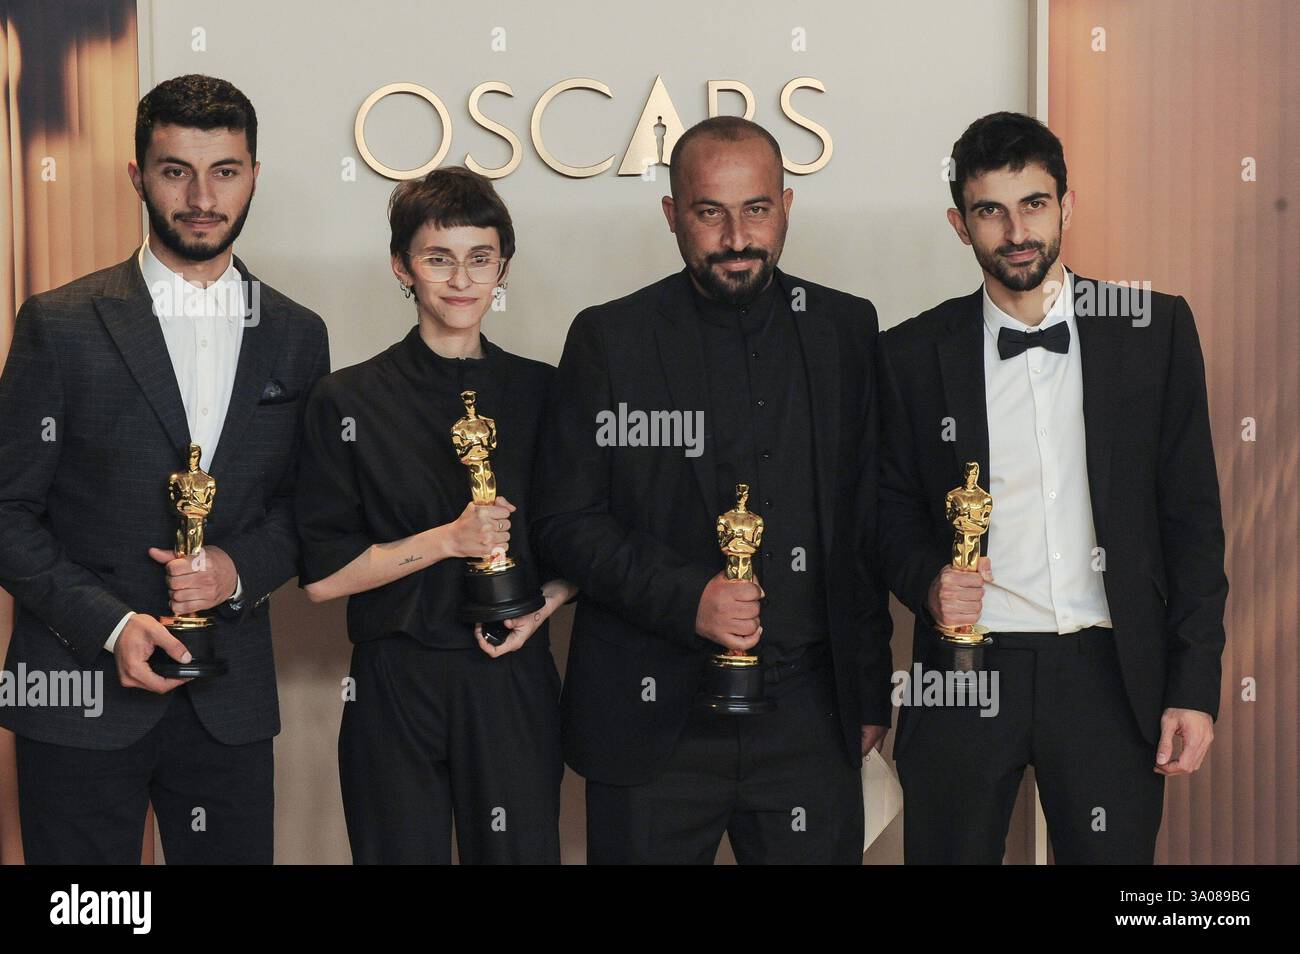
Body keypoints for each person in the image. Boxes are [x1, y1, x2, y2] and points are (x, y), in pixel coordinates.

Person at [532, 116, 893, 864]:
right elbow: (565, 520)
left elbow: (865, 523)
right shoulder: (610, 339)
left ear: (786, 206)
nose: (736, 236)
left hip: (809, 720)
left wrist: (865, 693)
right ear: (672, 216)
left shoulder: (846, 331)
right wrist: (688, 597)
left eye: (756, 209)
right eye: (710, 212)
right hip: (652, 719)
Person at [877, 111, 1228, 863]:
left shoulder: (1153, 331)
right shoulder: (908, 354)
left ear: (1066, 205)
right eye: (989, 211)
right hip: (966, 675)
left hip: (1110, 675)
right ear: (958, 223)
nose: (1015, 231)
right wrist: (928, 584)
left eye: (1033, 204)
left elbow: (1194, 522)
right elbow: (884, 512)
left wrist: (1194, 685)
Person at [0, 74, 330, 863]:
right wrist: (110, 625)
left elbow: (306, 510)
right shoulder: (59, 323)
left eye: (225, 171)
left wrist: (233, 569)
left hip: (231, 702)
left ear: (254, 175)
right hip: (78, 693)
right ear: (137, 177)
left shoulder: (295, 333)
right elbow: (7, 512)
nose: (201, 196)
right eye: (175, 170)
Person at [295, 166, 574, 864]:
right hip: (395, 679)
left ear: (502, 266)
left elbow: (583, 541)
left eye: (480, 259)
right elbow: (322, 579)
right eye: (438, 259)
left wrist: (540, 609)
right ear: (402, 266)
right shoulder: (347, 399)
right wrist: (450, 540)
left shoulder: (546, 392)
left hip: (513, 677)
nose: (460, 280)